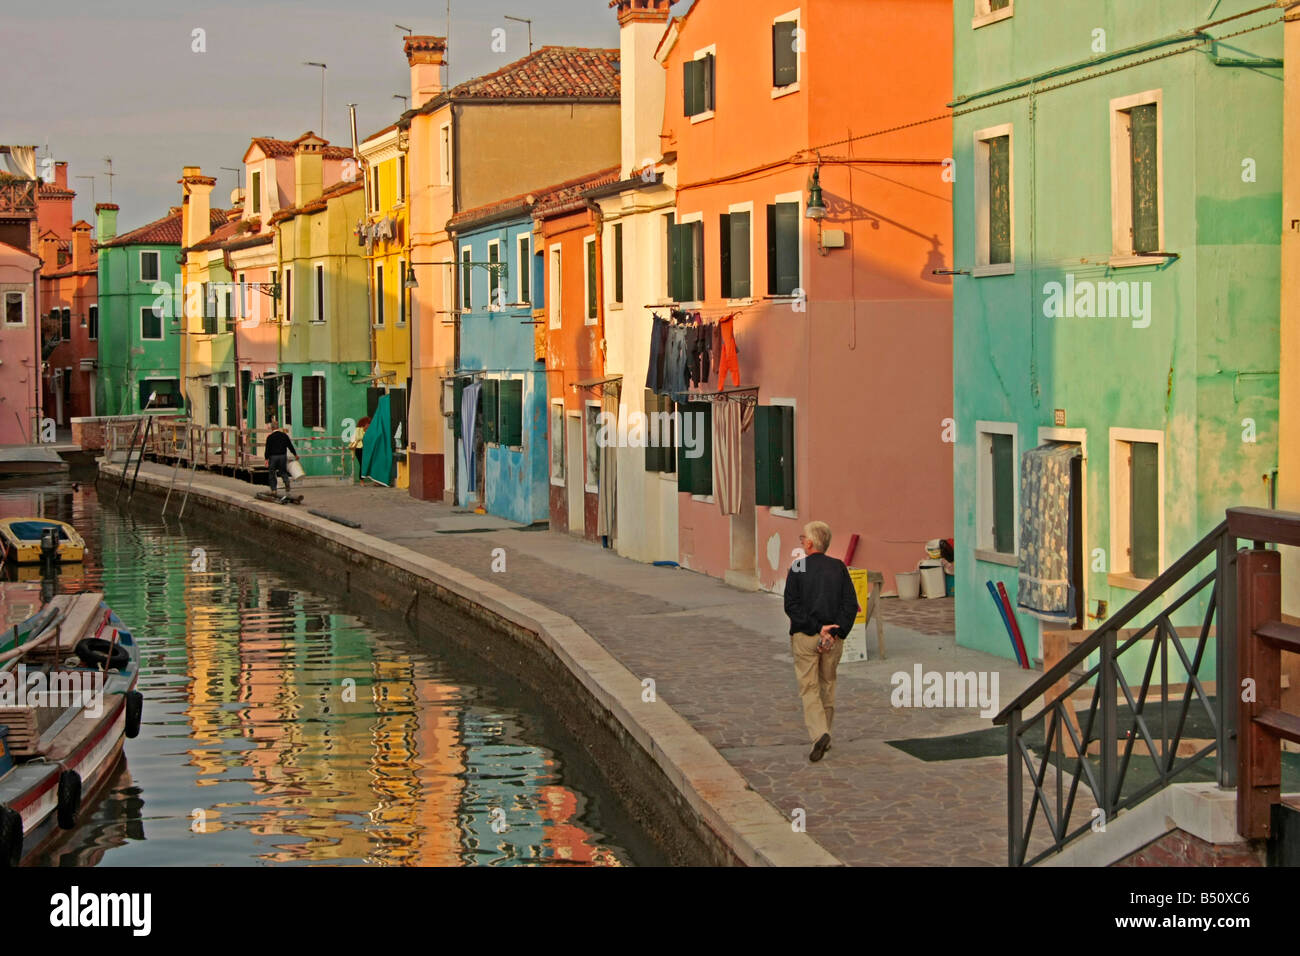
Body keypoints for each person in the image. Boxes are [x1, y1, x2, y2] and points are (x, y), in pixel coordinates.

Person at [783, 521, 859, 762]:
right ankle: (825, 735)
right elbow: (850, 604)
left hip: (806, 636)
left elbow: (791, 606)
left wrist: (818, 629)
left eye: (802, 538)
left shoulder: (798, 569)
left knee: (809, 688)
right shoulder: (838, 568)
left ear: (809, 542)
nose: (801, 542)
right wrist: (835, 632)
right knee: (827, 684)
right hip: (833, 639)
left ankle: (819, 734)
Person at [264, 419, 298, 501]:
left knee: (272, 473)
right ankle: (287, 483)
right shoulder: (284, 435)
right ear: (278, 427)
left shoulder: (270, 437)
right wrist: (295, 454)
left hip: (273, 457)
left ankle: (274, 490)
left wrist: (266, 459)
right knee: (283, 471)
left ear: (272, 428)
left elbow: (267, 449)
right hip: (283, 456)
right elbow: (290, 446)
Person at [351, 416, 371, 482]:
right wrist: (365, 434)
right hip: (359, 449)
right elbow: (358, 437)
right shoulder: (358, 429)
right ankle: (361, 480)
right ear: (364, 424)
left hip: (366, 449)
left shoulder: (368, 430)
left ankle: (372, 479)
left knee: (368, 463)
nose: (369, 425)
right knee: (362, 464)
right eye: (368, 424)